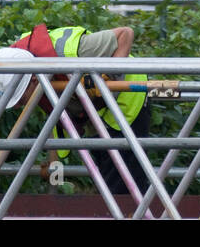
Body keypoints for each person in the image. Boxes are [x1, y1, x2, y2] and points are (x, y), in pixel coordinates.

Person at [12, 23, 150, 194]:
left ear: (31, 80)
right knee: (109, 178)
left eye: (20, 99)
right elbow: (57, 115)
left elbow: (126, 33)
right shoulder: (25, 65)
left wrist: (110, 79)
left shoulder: (75, 51)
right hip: (97, 112)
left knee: (123, 183)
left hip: (127, 101)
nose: (19, 105)